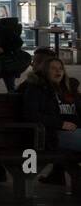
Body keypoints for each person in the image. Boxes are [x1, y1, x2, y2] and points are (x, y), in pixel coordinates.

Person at [21, 58, 81, 189]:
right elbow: (31, 114)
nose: (58, 71)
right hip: (52, 134)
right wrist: (60, 124)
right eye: (53, 68)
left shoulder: (68, 88)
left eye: (60, 68)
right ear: (45, 71)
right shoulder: (37, 88)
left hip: (74, 131)